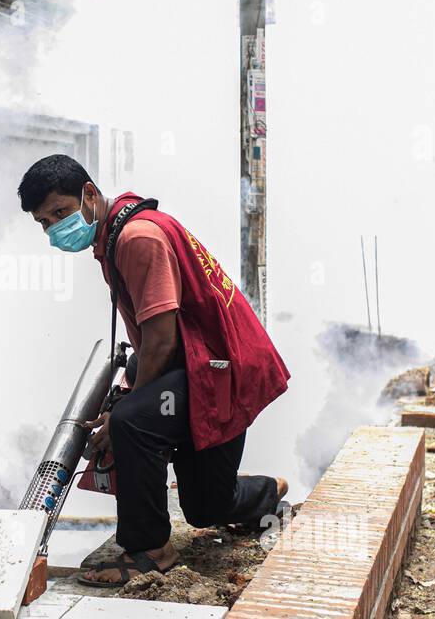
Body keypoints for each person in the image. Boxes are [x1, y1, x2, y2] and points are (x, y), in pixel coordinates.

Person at [17, 155, 290, 585]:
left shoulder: (136, 239)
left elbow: (161, 338)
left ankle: (148, 550)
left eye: (60, 212)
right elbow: (152, 340)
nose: (54, 228)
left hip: (220, 371)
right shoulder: (117, 236)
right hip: (206, 370)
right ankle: (266, 495)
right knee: (205, 508)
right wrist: (130, 394)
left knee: (132, 423)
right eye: (44, 221)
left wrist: (127, 410)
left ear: (89, 194)